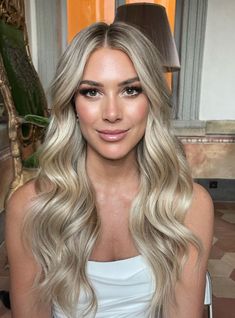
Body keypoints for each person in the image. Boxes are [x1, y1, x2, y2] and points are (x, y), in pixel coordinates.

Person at [5, 22, 214, 318]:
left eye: (130, 90)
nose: (112, 113)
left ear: (151, 100)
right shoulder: (30, 207)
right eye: (92, 92)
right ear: (72, 104)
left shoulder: (188, 204)